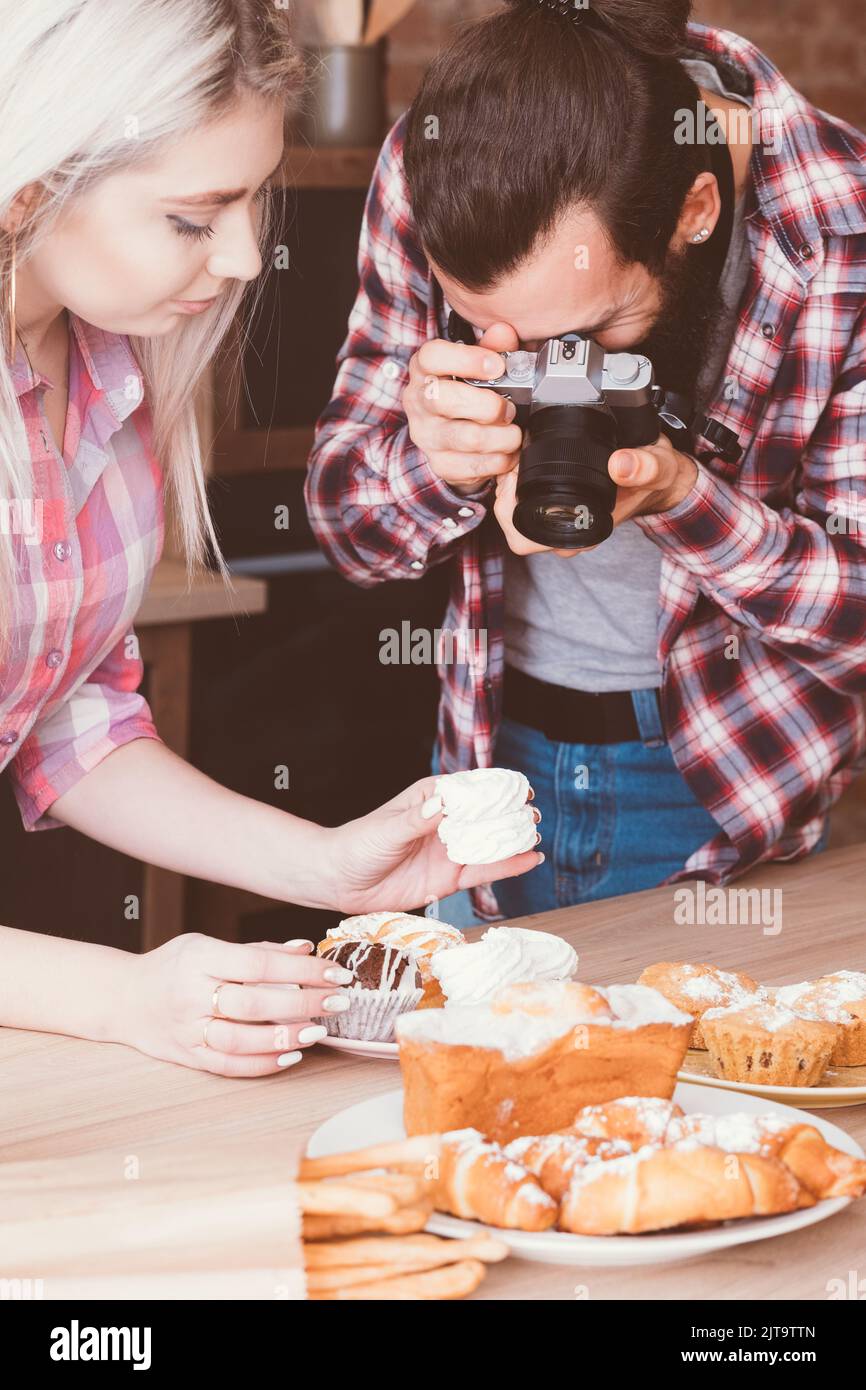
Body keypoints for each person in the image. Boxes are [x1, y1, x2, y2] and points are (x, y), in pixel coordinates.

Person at [0, 0, 542, 1075]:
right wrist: (119, 995)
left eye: (254, 200)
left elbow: (69, 720)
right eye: (196, 217)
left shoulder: (106, 371)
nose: (247, 257)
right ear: (30, 186)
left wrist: (330, 868)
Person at [306, 0, 866, 926]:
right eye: (510, 346)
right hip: (486, 755)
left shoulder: (842, 222)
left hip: (729, 795)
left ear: (696, 211)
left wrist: (683, 498)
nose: (553, 372)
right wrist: (435, 464)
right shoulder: (439, 161)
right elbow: (345, 530)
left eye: (590, 339)